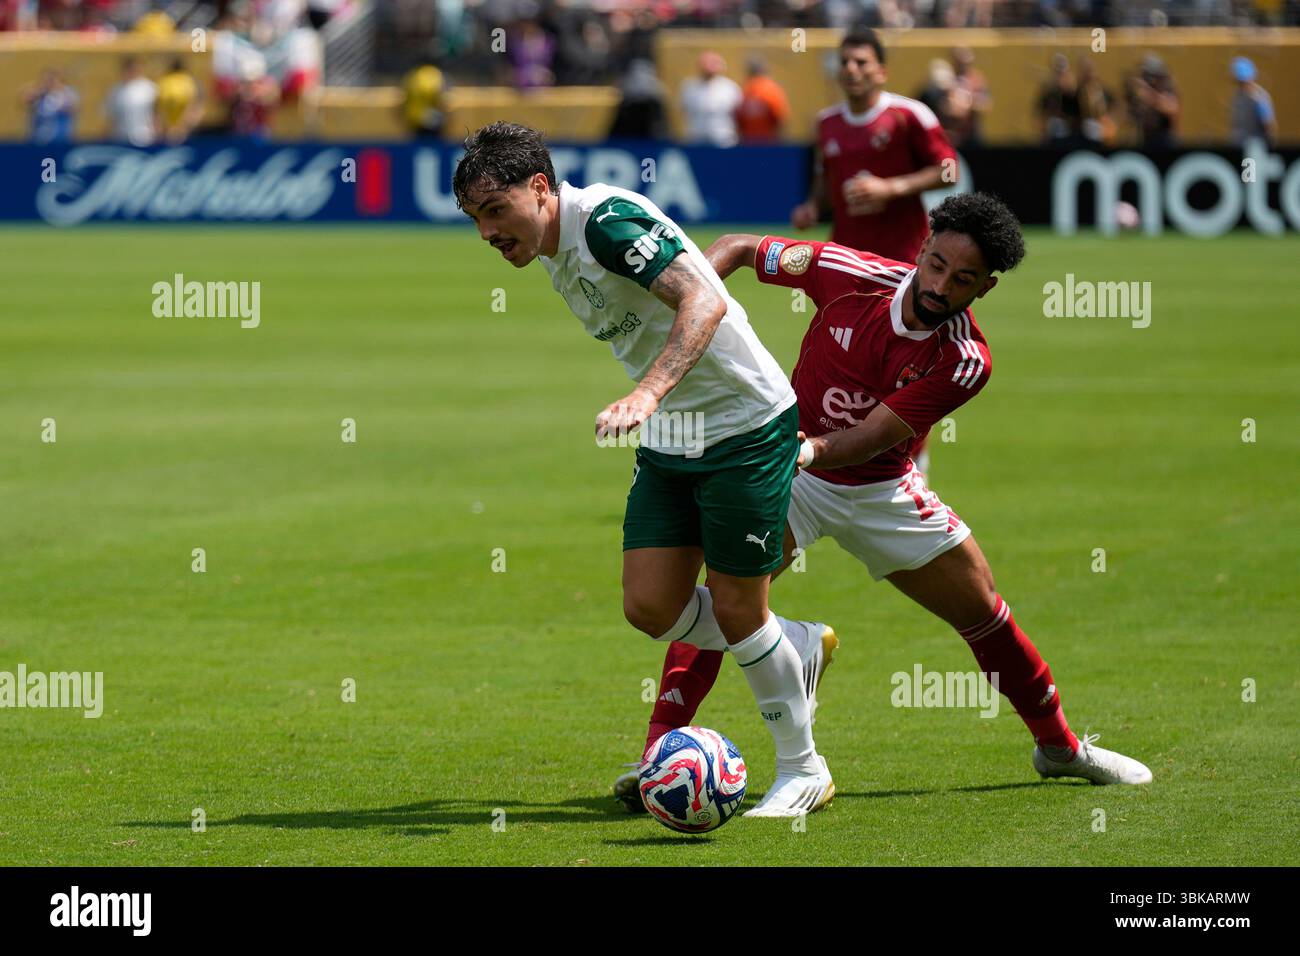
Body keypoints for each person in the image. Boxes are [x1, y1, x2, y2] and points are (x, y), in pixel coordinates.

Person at [618, 194, 1153, 808]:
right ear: (922, 250)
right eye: (935, 264)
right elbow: (740, 247)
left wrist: (807, 451)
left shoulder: (965, 360)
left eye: (962, 280)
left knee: (985, 614)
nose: (939, 286)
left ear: (986, 287)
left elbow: (870, 438)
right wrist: (690, 298)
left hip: (879, 489)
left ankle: (1059, 749)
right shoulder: (848, 274)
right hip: (794, 475)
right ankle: (658, 754)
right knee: (732, 595)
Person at [454, 122, 837, 817]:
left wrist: (647, 391)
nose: (486, 232)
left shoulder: (605, 222)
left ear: (539, 190)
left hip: (743, 426)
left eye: (493, 211)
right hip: (673, 438)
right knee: (651, 606)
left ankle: (803, 768)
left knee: (739, 611)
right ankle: (794, 649)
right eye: (475, 220)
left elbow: (705, 299)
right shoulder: (548, 246)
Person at [790, 29, 957, 265]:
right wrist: (812, 207)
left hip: (902, 257)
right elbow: (826, 179)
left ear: (881, 73)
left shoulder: (909, 114)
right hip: (845, 257)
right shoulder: (826, 123)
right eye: (844, 62)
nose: (851, 69)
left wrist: (891, 187)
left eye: (861, 62)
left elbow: (949, 171)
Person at [680, 51, 742, 147]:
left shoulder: (730, 88)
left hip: (723, 140)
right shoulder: (689, 87)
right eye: (706, 64)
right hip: (697, 139)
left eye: (714, 64)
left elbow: (739, 114)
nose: (709, 68)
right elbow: (684, 110)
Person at [1126, 54, 1180, 149]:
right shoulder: (1142, 93)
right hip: (1146, 140)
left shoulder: (1167, 90)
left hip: (1164, 143)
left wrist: (1149, 94)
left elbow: (1171, 109)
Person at [104, 57, 157, 147]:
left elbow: (157, 113)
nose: (132, 72)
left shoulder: (150, 88)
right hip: (121, 137)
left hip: (145, 137)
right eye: (130, 70)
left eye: (135, 69)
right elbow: (109, 116)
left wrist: (156, 132)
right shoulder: (116, 91)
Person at [735, 58, 790, 143]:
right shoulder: (771, 88)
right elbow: (780, 118)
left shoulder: (748, 89)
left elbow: (779, 117)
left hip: (758, 141)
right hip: (761, 140)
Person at [1228, 56, 1276, 147]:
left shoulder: (1259, 98)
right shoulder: (1238, 96)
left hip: (1255, 147)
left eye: (1243, 81)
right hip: (1238, 145)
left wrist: (1269, 147)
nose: (1241, 84)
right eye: (1239, 81)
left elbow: (1268, 124)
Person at [156, 58, 203, 144]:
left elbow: (158, 110)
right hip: (186, 129)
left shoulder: (163, 82)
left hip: (167, 130)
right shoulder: (190, 82)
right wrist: (186, 125)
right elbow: (196, 108)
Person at [25, 69, 78, 144]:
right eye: (46, 80)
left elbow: (73, 109)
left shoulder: (66, 93)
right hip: (39, 135)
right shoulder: (41, 94)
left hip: (60, 136)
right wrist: (39, 92)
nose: (49, 83)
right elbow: (26, 100)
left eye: (51, 80)